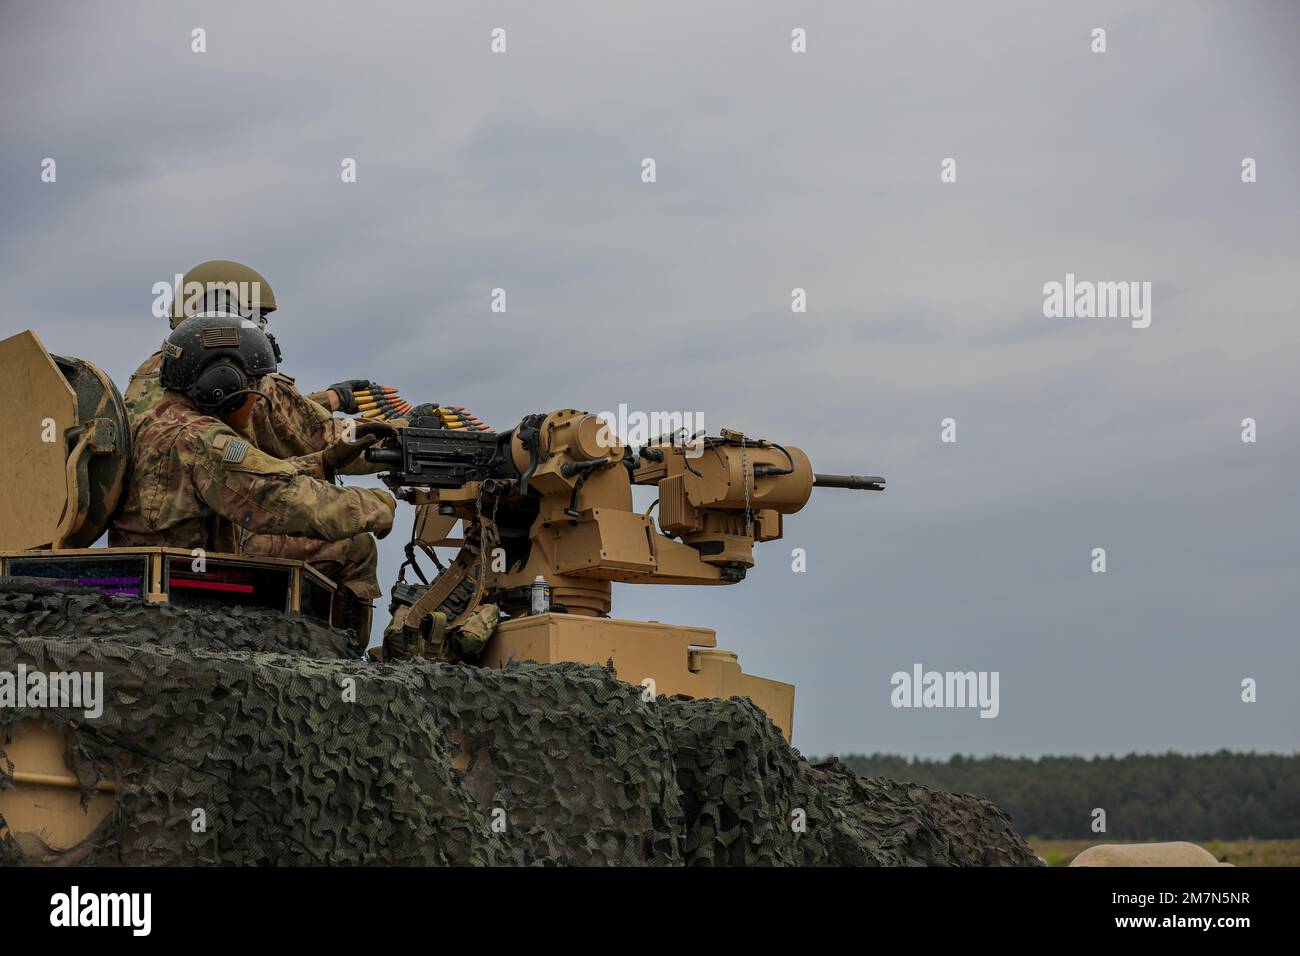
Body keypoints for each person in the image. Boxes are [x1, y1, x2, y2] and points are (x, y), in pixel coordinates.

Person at [109, 312, 398, 642]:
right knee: (356, 547)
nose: (258, 393)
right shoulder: (202, 439)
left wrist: (322, 464)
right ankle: (348, 664)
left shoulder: (161, 418)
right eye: (253, 383)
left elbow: (255, 477)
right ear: (222, 385)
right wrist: (375, 507)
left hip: (168, 568)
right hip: (194, 585)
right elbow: (280, 501)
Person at [126, 258, 407, 464]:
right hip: (227, 517)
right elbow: (319, 439)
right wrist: (409, 428)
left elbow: (268, 416)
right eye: (258, 321)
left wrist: (332, 399)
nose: (263, 333)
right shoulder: (239, 376)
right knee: (353, 544)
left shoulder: (154, 372)